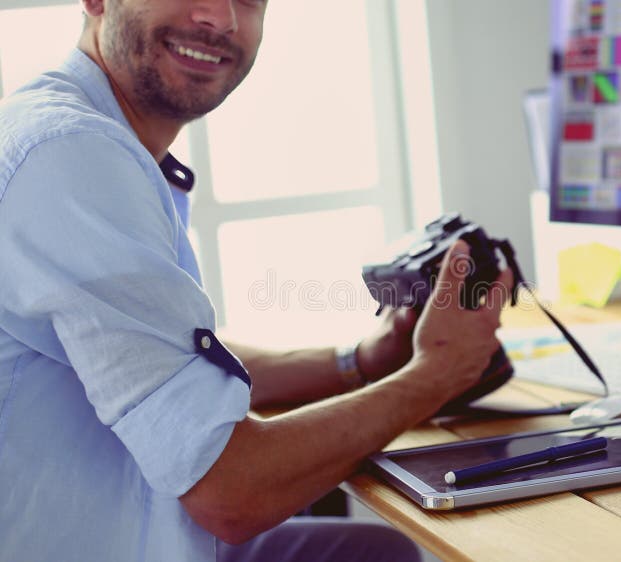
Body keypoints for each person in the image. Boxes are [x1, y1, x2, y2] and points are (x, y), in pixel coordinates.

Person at [0, 1, 511, 561]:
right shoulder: (72, 155)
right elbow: (229, 491)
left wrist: (362, 361)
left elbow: (170, 365)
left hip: (135, 526)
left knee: (370, 551)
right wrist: (435, 375)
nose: (221, 18)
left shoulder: (89, 135)